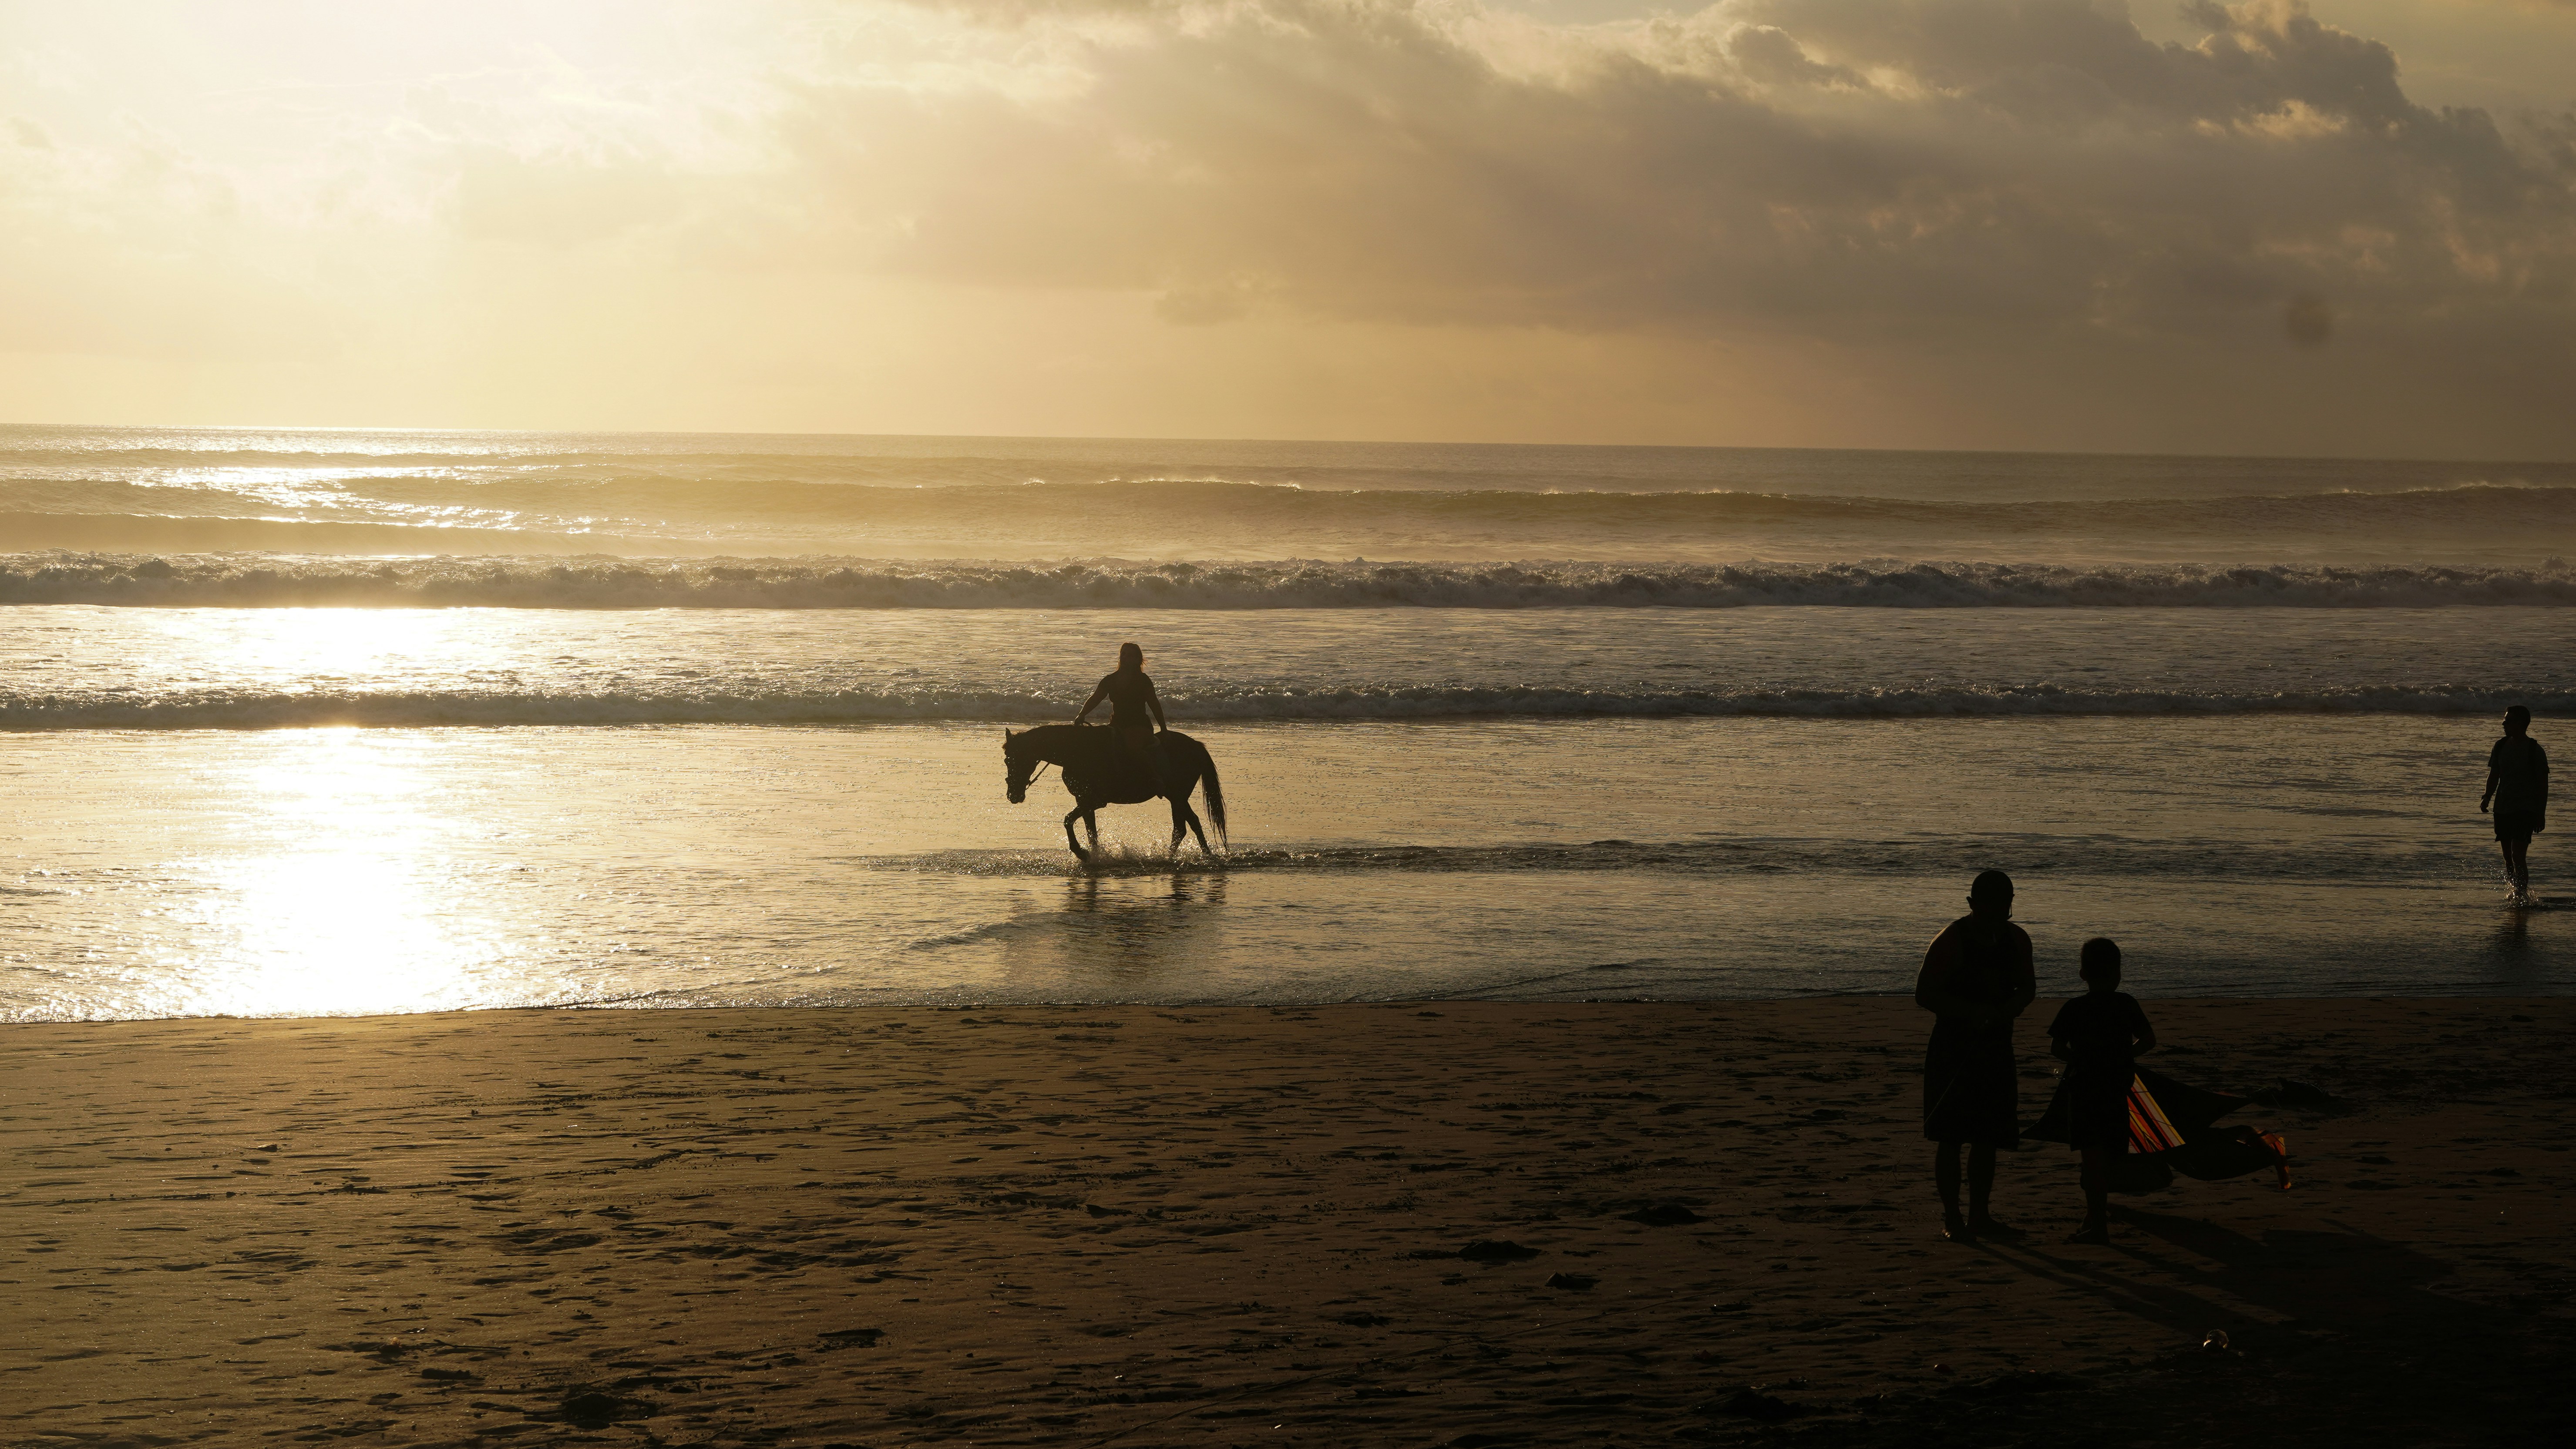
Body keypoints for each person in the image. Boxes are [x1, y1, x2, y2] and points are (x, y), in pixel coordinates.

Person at [1914, 869, 2037, 1244]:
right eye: (1990, 908)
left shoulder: (2017, 940)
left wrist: (2007, 1010)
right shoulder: (1952, 940)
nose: (1998, 915)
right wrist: (1970, 1012)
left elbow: (2028, 988)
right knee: (1949, 1136)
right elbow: (1924, 994)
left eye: (2004, 908)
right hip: (1952, 1048)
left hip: (1996, 1047)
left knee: (1988, 1136)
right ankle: (1953, 1217)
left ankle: (1980, 1215)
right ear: (1972, 905)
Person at [2047, 938, 2156, 1246]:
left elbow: (2057, 1048)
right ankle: (2093, 1219)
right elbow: (2149, 1041)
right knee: (2104, 1156)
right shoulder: (2126, 1004)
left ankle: (2098, 1228)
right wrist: (2122, 1056)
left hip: (2084, 1090)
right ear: (2118, 973)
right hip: (2116, 1090)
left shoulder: (2076, 1007)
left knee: (2091, 1156)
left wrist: (2080, 1058)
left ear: (2083, 974)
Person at [2480, 705, 2549, 905]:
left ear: (2521, 724)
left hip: (2525, 809)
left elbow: (2543, 785)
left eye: (2508, 721)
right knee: (2508, 858)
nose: (2504, 724)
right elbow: (2494, 775)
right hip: (2502, 808)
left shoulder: (2534, 750)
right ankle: (2514, 892)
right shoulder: (2500, 746)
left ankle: (2521, 896)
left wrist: (2540, 814)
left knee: (2517, 855)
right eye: (2504, 720)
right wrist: (2487, 797)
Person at [1074, 642, 1168, 785]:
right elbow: (1095, 698)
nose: (1125, 657)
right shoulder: (1110, 680)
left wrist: (1164, 728)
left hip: (1140, 726)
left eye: (1130, 655)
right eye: (1123, 654)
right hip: (1117, 725)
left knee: (1132, 748)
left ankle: (1155, 777)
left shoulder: (1143, 681)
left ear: (1137, 659)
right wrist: (1082, 715)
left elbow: (1154, 704)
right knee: (1097, 747)